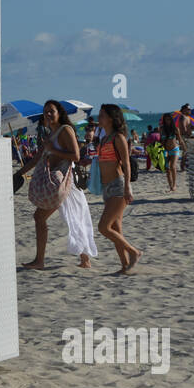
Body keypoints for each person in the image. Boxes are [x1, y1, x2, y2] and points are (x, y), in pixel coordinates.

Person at [19, 101, 94, 269]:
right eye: (45, 112)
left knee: (42, 217)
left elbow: (75, 155)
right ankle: (85, 260)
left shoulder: (65, 130)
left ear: (59, 113)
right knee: (75, 217)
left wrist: (52, 150)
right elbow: (38, 157)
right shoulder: (50, 134)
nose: (48, 114)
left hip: (64, 183)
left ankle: (40, 261)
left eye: (51, 111)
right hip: (56, 182)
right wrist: (19, 173)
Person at [95, 104, 142, 275]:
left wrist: (128, 186)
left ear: (111, 118)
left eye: (102, 115)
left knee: (103, 227)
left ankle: (134, 252)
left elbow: (126, 163)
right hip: (107, 188)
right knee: (115, 229)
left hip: (118, 186)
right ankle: (125, 266)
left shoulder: (118, 138)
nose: (98, 118)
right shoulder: (103, 139)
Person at [160, 113, 181, 192]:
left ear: (171, 120)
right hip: (165, 150)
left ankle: (174, 184)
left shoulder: (175, 129)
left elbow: (180, 139)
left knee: (172, 166)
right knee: (167, 169)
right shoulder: (162, 129)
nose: (167, 121)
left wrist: (185, 148)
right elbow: (161, 141)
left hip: (174, 149)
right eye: (166, 119)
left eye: (169, 119)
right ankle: (171, 186)